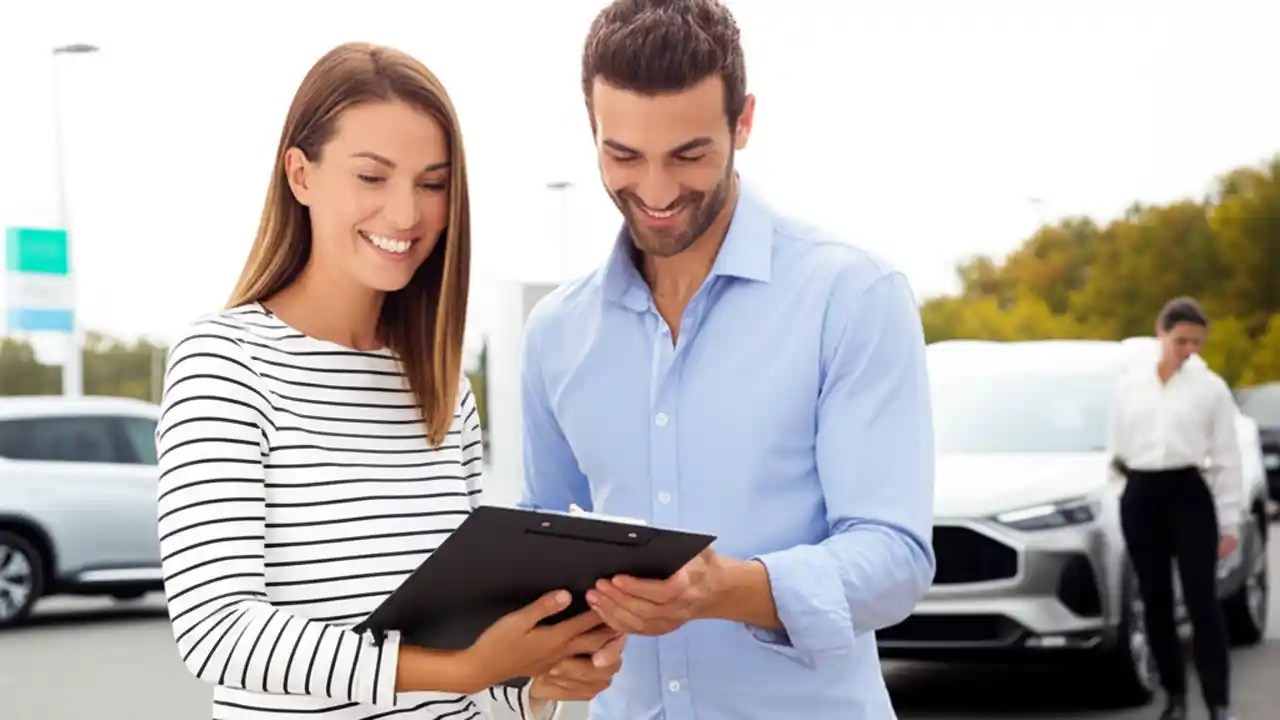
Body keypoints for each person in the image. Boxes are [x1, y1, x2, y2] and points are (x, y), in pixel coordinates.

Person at [154, 42, 623, 720]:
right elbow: (218, 631)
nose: (406, 214)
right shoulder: (225, 362)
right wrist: (460, 669)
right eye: (372, 177)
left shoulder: (442, 388)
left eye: (431, 184)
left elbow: (468, 640)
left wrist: (536, 678)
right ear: (301, 175)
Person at [517, 1, 937, 718]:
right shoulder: (556, 332)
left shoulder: (852, 295)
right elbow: (538, 546)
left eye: (688, 155)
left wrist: (727, 589)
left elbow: (895, 557)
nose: (653, 192)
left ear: (742, 123)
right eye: (623, 156)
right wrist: (543, 654)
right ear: (592, 129)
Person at [1108, 297, 1242, 720]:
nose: (1189, 350)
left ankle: (1218, 703)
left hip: (1189, 492)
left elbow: (1226, 458)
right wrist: (1123, 493)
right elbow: (1116, 448)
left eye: (1197, 343)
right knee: (1154, 601)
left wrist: (1230, 522)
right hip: (1141, 493)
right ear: (1160, 333)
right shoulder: (1128, 385)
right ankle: (1176, 700)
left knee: (1202, 601)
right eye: (1181, 340)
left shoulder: (1211, 388)